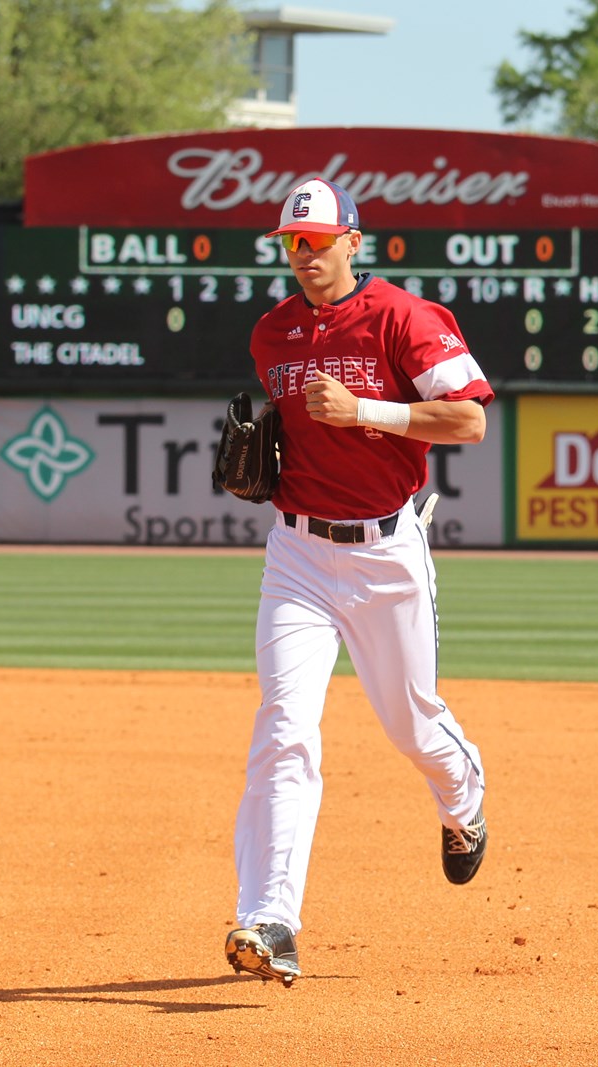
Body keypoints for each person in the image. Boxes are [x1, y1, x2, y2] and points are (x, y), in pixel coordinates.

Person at [223, 177, 494, 986]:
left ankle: (464, 799)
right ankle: (270, 918)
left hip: (386, 552)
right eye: (292, 242)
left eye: (317, 240)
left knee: (413, 727)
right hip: (297, 554)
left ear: (353, 240)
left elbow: (471, 419)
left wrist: (367, 412)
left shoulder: (406, 318)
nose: (304, 254)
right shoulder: (271, 333)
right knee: (284, 727)